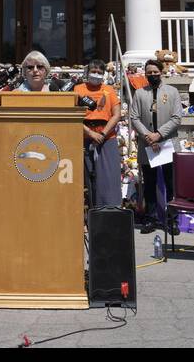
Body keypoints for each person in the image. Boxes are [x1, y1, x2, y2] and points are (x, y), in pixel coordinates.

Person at [129, 58, 182, 234]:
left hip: (167, 143)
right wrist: (147, 135)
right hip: (147, 145)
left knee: (170, 183)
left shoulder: (172, 92)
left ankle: (172, 219)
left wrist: (159, 134)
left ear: (161, 72)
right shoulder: (139, 93)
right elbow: (134, 117)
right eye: (149, 72)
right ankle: (150, 219)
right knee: (150, 183)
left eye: (155, 72)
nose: (152, 75)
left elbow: (176, 118)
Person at [74, 59, 122, 208]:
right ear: (88, 73)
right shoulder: (78, 89)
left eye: (100, 73)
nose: (96, 75)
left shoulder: (109, 90)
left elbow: (116, 114)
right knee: (87, 177)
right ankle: (90, 214)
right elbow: (72, 115)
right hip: (85, 136)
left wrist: (102, 134)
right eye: (93, 72)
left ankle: (110, 210)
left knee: (108, 177)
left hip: (107, 138)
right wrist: (89, 133)